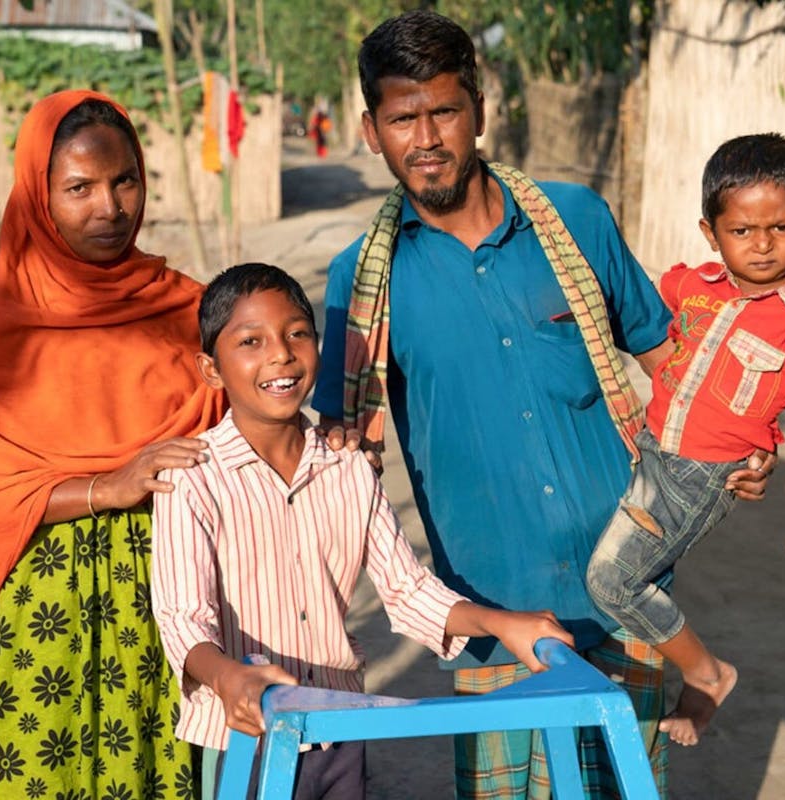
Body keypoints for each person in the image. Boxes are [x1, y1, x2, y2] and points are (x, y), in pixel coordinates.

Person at [311, 11, 775, 799]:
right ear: (370, 129)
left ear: (480, 111)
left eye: (444, 111)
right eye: (401, 118)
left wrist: (738, 447)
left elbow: (668, 362)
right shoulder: (360, 284)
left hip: (627, 582)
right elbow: (335, 454)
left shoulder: (577, 222)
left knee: (623, 785)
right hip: (497, 618)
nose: (425, 138)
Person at [151, 263, 574, 800]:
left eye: (296, 334)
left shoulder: (348, 466)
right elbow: (183, 618)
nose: (280, 354)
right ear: (211, 369)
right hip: (245, 733)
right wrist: (229, 678)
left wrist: (503, 623)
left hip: (341, 725)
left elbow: (407, 590)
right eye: (250, 341)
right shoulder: (192, 479)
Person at [0, 90, 226, 798]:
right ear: (38, 194)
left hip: (168, 599)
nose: (109, 207)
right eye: (79, 188)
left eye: (124, 179)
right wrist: (110, 486)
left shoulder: (191, 309)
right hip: (39, 601)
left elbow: (245, 428)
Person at [585, 133, 785, 747]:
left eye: (781, 227)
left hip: (706, 474)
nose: (762, 245)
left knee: (613, 581)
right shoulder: (689, 285)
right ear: (711, 232)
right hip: (651, 452)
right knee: (611, 567)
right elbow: (634, 320)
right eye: (742, 231)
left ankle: (707, 675)